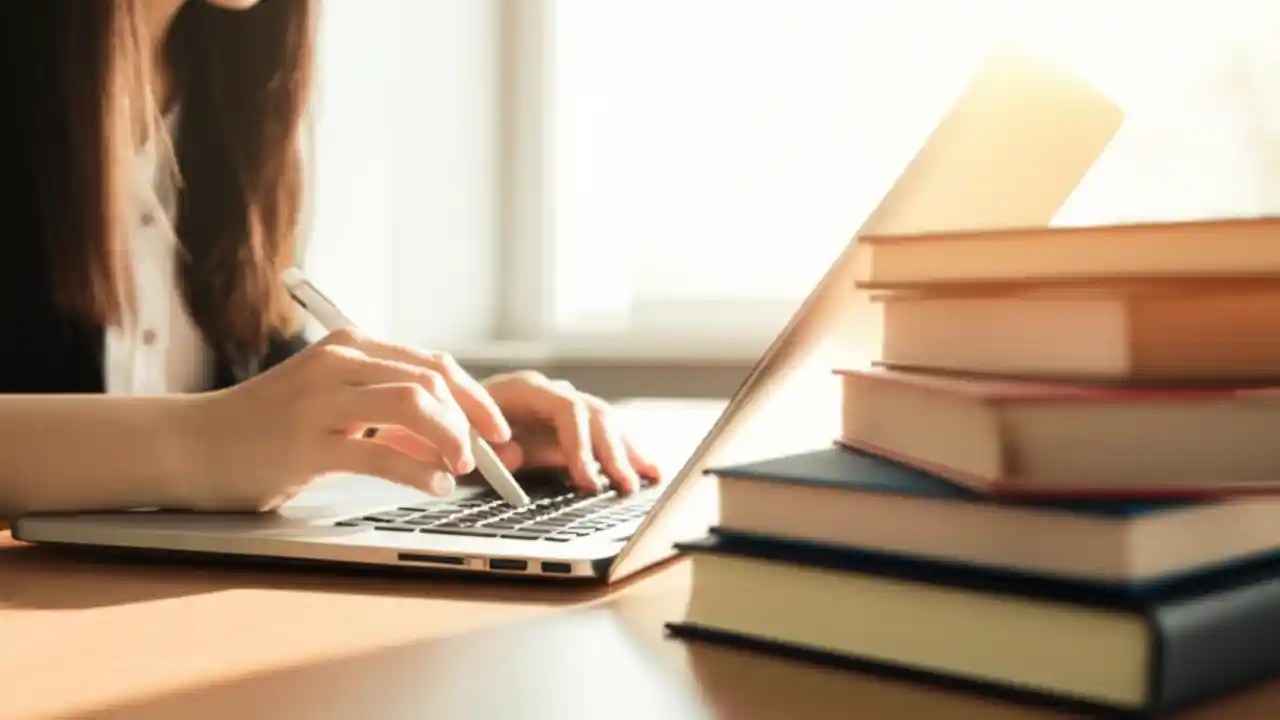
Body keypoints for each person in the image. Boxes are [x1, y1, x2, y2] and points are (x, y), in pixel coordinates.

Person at [0, 0, 658, 516]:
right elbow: (229, 439)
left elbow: (257, 416)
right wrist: (206, 443)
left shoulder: (232, 90)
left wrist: (437, 428)